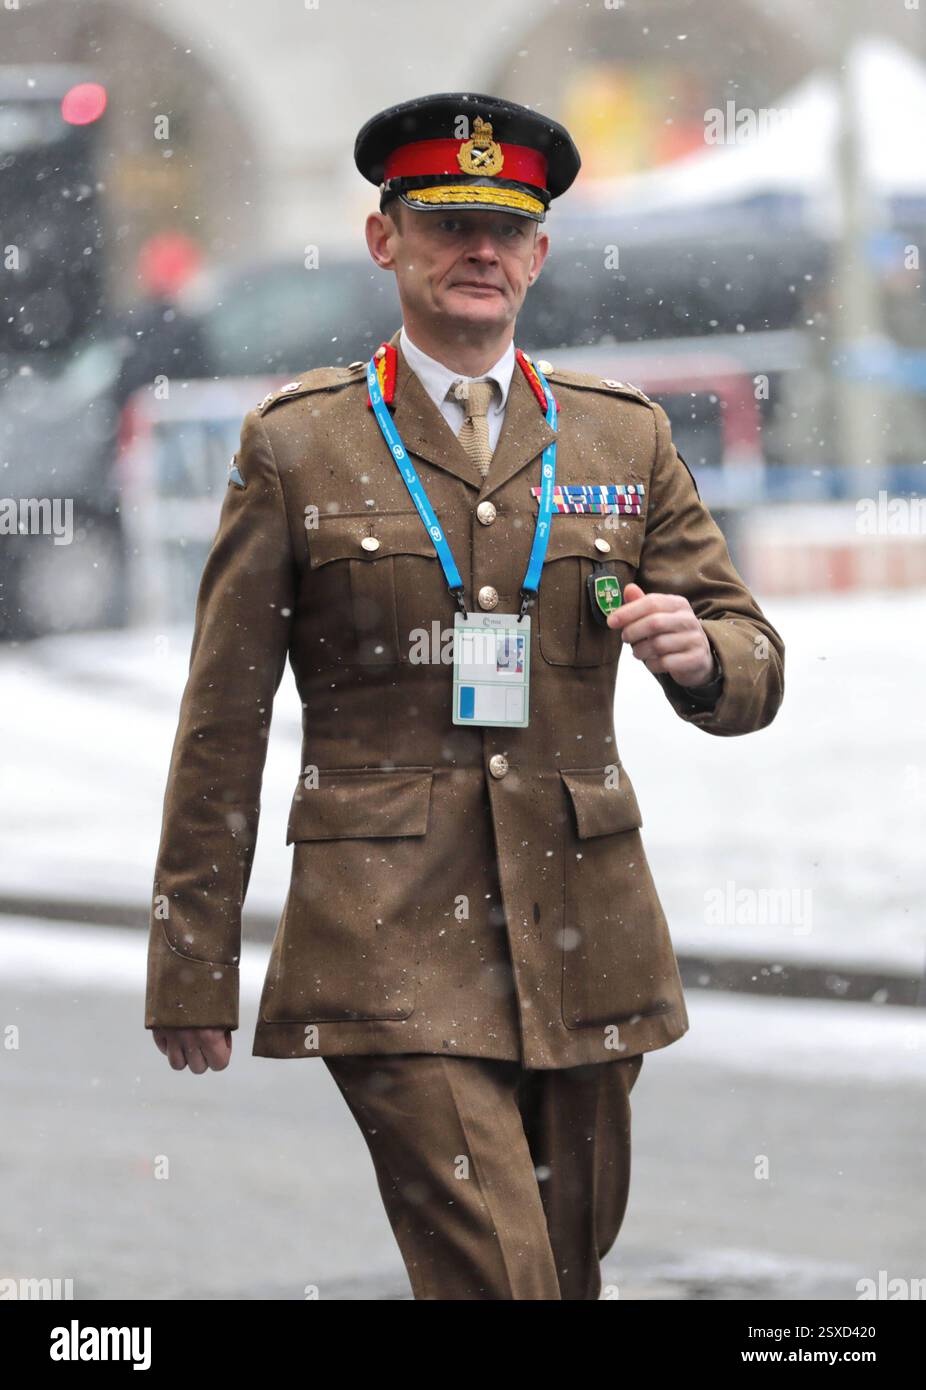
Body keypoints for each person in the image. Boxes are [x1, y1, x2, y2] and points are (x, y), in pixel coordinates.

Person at [144, 92, 785, 1300]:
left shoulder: (618, 440)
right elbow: (222, 715)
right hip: (383, 934)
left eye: (507, 227)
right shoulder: (298, 445)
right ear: (385, 240)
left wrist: (704, 660)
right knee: (504, 1280)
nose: (478, 250)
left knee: (563, 1271)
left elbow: (750, 651)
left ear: (538, 254)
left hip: (584, 931)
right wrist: (193, 959)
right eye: (445, 222)